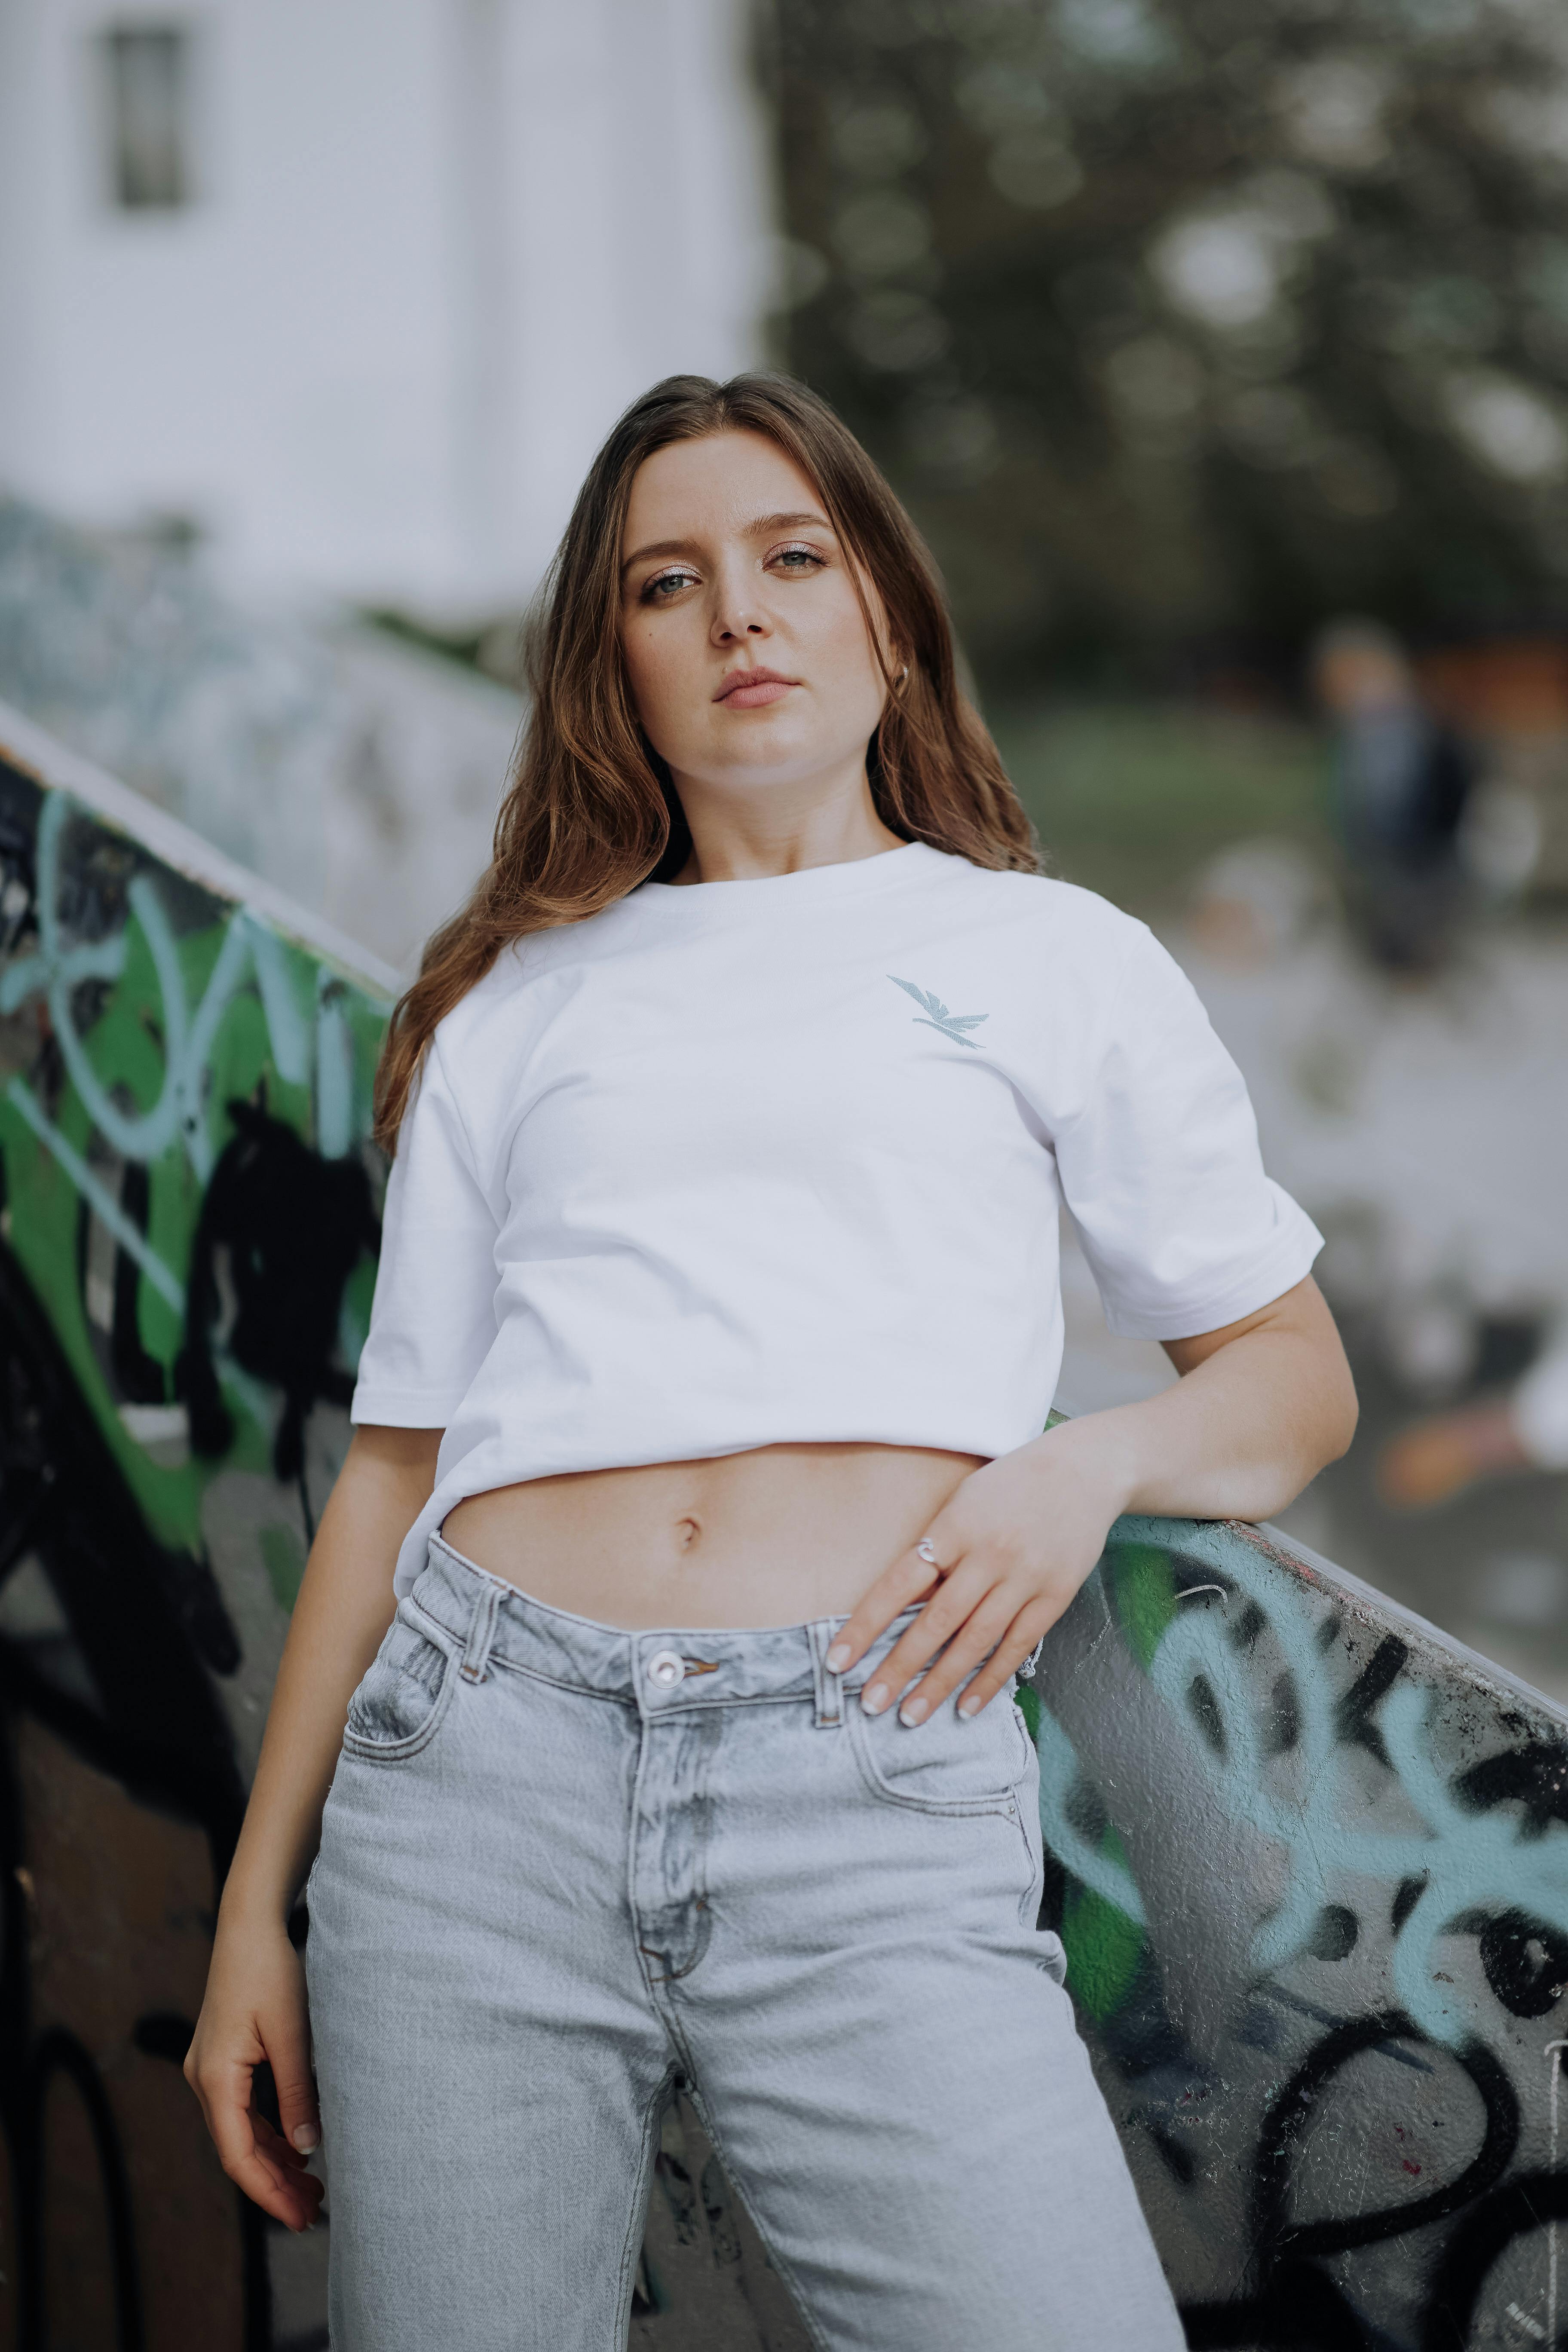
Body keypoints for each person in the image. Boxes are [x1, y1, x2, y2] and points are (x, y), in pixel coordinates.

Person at [184, 374, 1358, 2352]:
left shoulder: (1049, 956)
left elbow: (1288, 1381)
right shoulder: (509, 997)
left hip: (870, 1774)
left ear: (884, 623)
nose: (737, 610)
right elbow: (394, 1465)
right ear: (612, 666)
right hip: (471, 1785)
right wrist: (249, 1912)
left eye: (790, 556)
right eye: (669, 580)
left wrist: (1081, 1465)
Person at [1310, 617, 1477, 974]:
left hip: (1414, 871)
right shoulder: (1387, 723)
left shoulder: (1391, 727)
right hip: (1405, 866)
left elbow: (1391, 812)